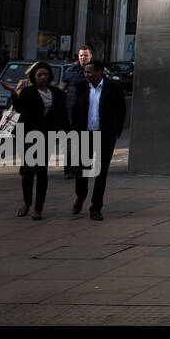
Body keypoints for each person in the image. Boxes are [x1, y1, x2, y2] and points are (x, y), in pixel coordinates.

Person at [12, 62, 70, 219]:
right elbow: (19, 108)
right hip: (29, 136)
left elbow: (61, 113)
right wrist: (13, 92)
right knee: (28, 173)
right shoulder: (28, 92)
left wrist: (66, 132)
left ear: (49, 76)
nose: (43, 78)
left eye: (45, 75)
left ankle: (39, 208)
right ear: (34, 77)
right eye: (39, 75)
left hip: (46, 136)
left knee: (42, 172)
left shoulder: (55, 93)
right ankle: (27, 203)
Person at [71, 60, 127, 220]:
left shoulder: (113, 87)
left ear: (100, 72)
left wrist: (116, 131)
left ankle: (96, 207)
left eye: (90, 72)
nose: (87, 75)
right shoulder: (82, 87)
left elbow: (121, 110)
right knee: (82, 170)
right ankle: (80, 197)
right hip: (84, 133)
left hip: (105, 135)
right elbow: (76, 110)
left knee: (101, 172)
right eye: (85, 72)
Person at [62, 45, 93, 179]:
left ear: (90, 56)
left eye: (85, 55)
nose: (83, 58)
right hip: (72, 110)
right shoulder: (70, 70)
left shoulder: (95, 71)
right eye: (81, 55)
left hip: (88, 110)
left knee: (87, 138)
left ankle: (84, 166)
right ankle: (70, 169)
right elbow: (62, 87)